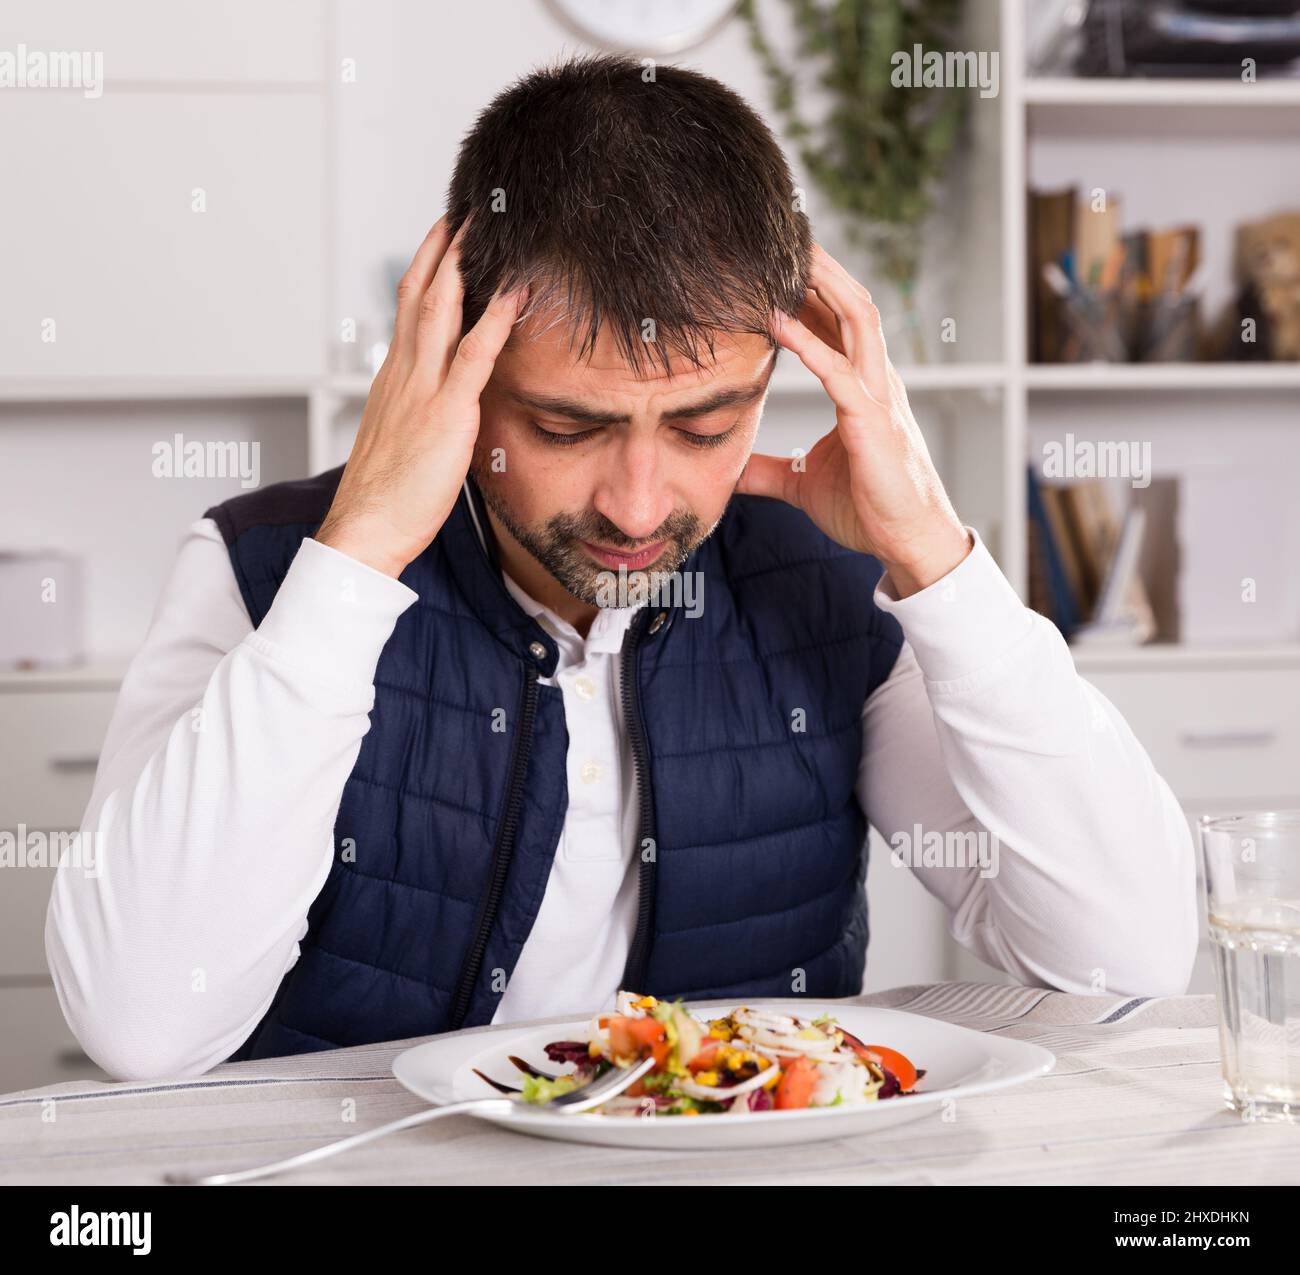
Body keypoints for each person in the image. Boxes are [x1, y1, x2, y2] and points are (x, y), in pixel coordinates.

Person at [47, 55, 1197, 1081]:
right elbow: (146, 1029)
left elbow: (1121, 961)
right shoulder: (262, 571)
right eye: (564, 429)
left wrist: (938, 564)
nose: (639, 507)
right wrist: (351, 565)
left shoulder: (832, 588)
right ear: (450, 362)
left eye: (704, 427)